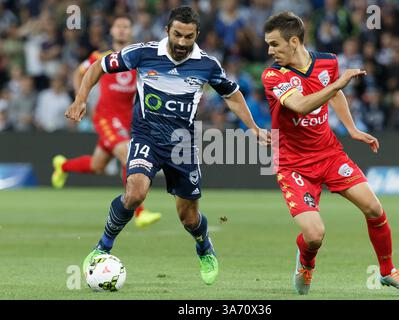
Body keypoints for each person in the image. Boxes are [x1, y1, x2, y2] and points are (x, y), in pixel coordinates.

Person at [65, 6, 269, 285]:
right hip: (146, 136)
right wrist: (81, 98)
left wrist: (254, 128)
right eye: (177, 35)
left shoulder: (207, 65)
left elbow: (232, 96)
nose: (183, 42)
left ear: (197, 35)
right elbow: (98, 66)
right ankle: (102, 247)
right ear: (167, 31)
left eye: (189, 37)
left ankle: (204, 247)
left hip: (182, 146)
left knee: (189, 217)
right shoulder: (143, 53)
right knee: (135, 192)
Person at [261, 12, 399, 295]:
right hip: (293, 165)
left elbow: (334, 94)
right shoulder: (273, 75)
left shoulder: (328, 62)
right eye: (268, 45)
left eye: (274, 44)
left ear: (294, 41)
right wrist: (337, 83)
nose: (270, 51)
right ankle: (306, 263)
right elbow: (300, 106)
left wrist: (352, 128)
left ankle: (388, 272)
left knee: (374, 208)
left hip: (329, 154)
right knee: (314, 235)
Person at [51, 16, 161, 228]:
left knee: (97, 165)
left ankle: (62, 165)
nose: (121, 30)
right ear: (112, 30)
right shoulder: (99, 56)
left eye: (126, 26)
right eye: (118, 26)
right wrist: (79, 98)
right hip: (106, 117)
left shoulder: (137, 58)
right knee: (128, 155)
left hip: (128, 120)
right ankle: (139, 212)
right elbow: (80, 72)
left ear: (131, 31)